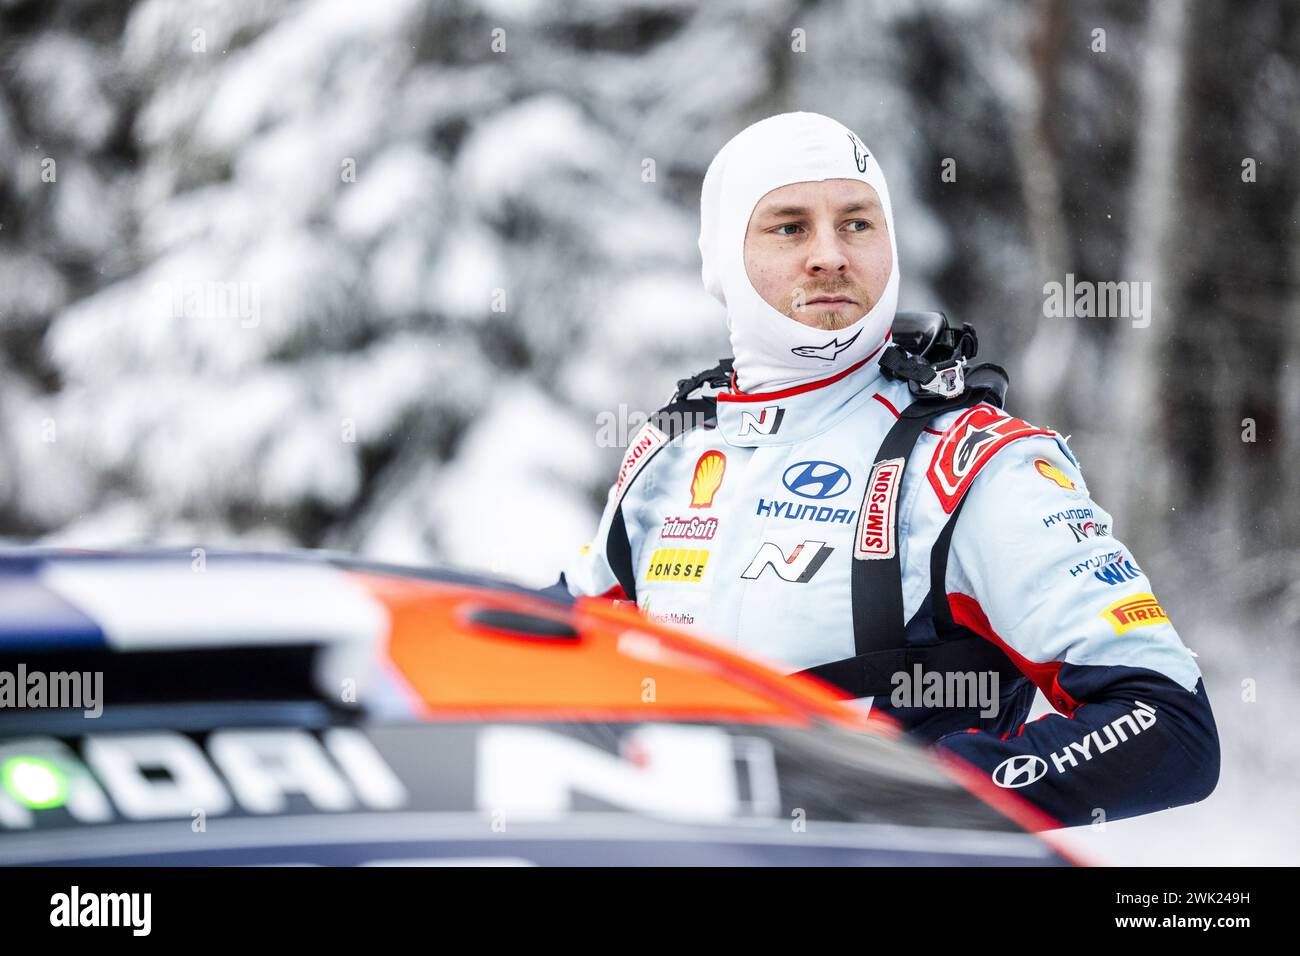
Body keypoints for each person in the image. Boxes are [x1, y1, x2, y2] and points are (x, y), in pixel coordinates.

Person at [563, 111, 1218, 828]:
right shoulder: (672, 447)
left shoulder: (970, 463)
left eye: (857, 224)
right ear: (722, 257)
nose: (829, 255)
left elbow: (1168, 725)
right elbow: (564, 647)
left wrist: (923, 794)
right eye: (789, 227)